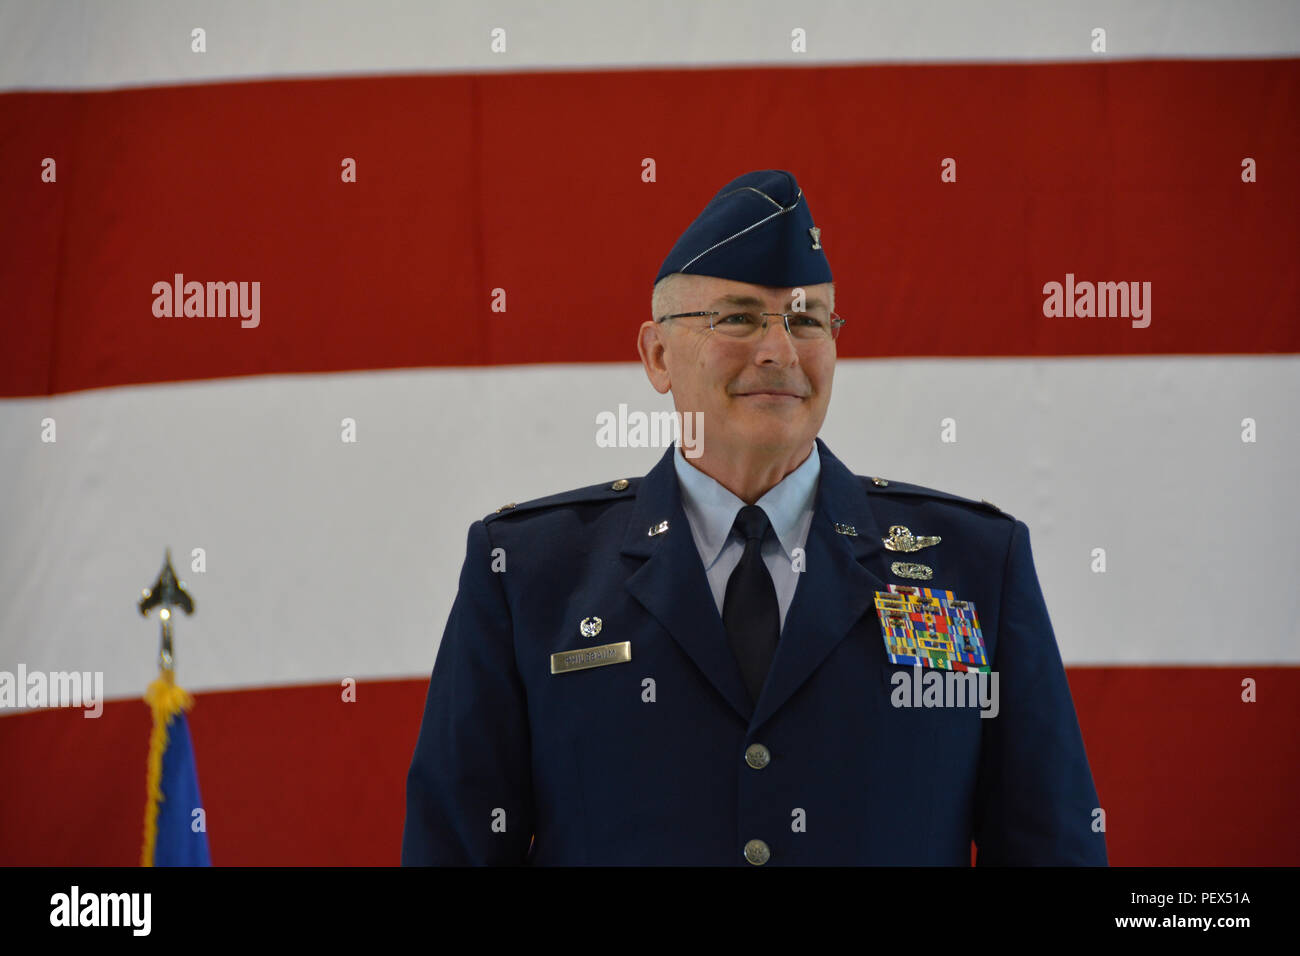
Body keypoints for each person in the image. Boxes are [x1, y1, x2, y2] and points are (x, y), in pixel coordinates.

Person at [402, 169, 1107, 866]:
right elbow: (454, 849)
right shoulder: (528, 574)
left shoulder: (975, 567)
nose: (780, 351)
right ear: (657, 355)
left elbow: (1052, 846)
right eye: (737, 317)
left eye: (806, 320)